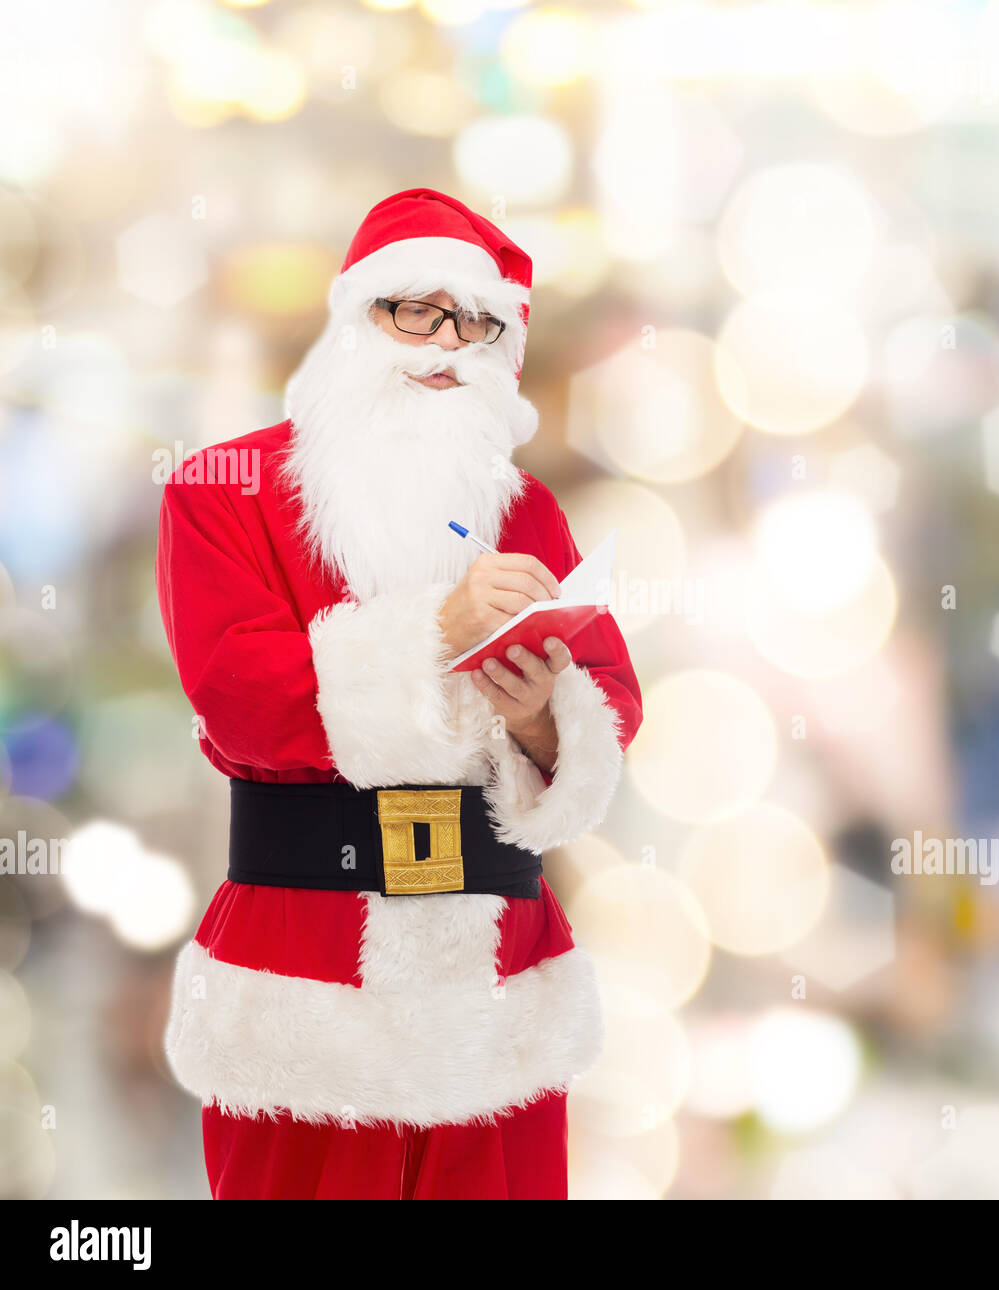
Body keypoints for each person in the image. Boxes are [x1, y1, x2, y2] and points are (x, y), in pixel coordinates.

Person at [156, 188, 643, 1199]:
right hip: (304, 989)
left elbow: (606, 703)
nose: (445, 343)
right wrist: (436, 637)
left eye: (474, 320)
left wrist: (537, 719)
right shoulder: (219, 491)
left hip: (498, 991)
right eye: (413, 310)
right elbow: (241, 697)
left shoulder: (531, 512)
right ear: (354, 324)